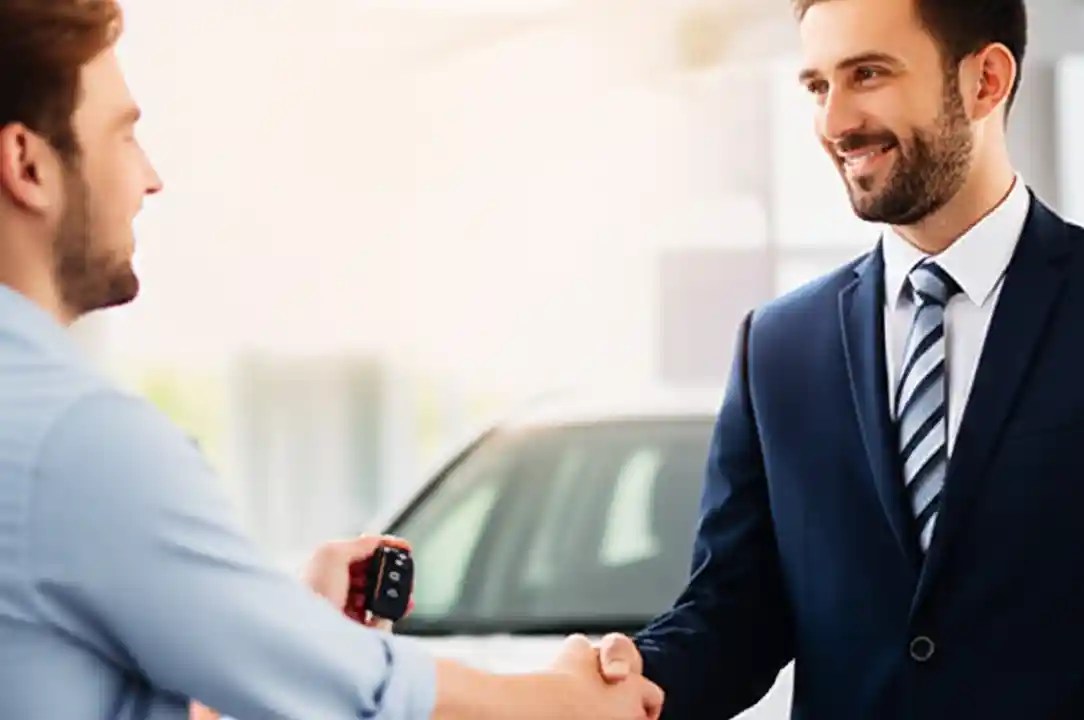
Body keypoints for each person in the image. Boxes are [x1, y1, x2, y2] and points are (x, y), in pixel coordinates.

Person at [594, 0, 1084, 717]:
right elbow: (732, 617)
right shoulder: (778, 347)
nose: (835, 123)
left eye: (868, 74)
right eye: (817, 87)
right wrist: (632, 676)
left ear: (986, 79)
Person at [0, 2, 664, 719]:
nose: (150, 177)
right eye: (123, 136)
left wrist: (282, 627)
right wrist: (563, 701)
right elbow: (365, 698)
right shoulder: (76, 443)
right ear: (27, 165)